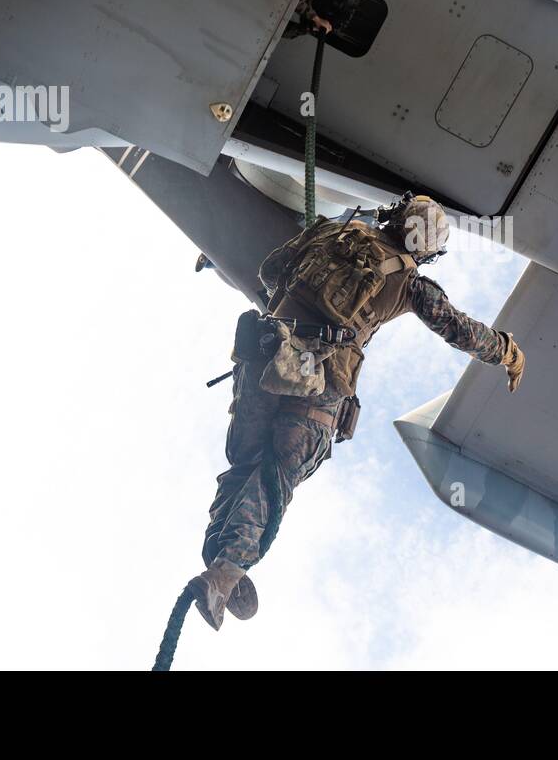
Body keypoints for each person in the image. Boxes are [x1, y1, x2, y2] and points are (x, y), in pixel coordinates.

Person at [189, 195, 525, 628]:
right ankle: (223, 575)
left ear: (395, 215)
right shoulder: (410, 283)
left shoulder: (333, 229)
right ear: (426, 248)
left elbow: (271, 271)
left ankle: (218, 560)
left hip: (264, 357)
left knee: (244, 465)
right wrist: (509, 353)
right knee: (276, 477)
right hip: (318, 384)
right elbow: (459, 329)